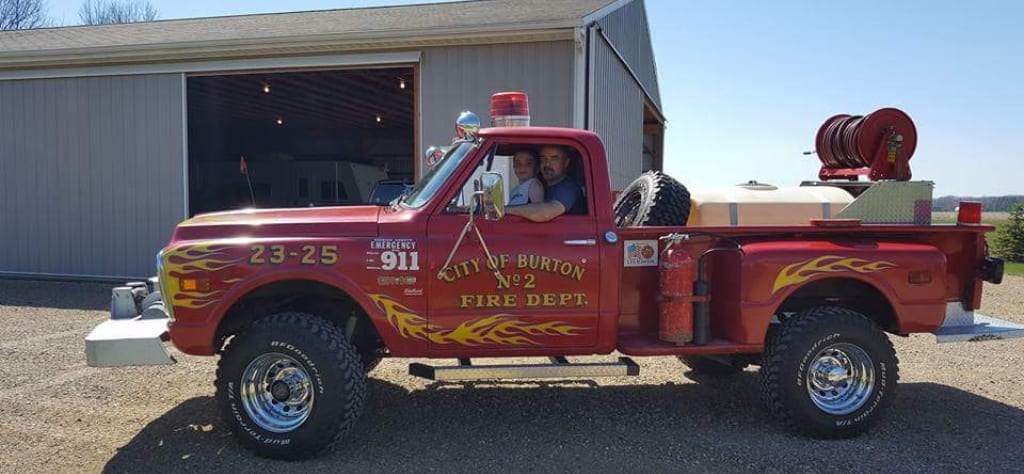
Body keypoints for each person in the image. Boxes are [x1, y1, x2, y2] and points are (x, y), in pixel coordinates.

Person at [506, 145, 584, 222]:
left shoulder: (568, 189)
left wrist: (503, 210)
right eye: (543, 158)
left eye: (554, 159)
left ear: (566, 163)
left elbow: (544, 213)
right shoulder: (542, 185)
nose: (547, 164)